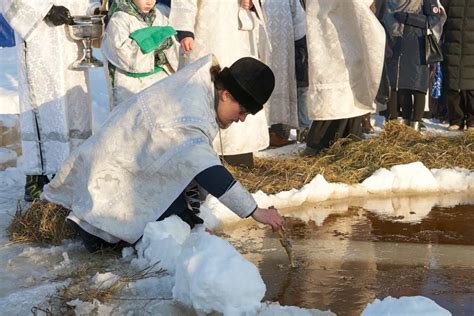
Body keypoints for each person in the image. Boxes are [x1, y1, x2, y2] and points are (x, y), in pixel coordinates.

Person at [42, 54, 284, 252]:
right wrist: (254, 210)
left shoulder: (200, 88)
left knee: (185, 221)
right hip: (105, 207)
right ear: (226, 95)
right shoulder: (190, 111)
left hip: (118, 173)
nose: (241, 119)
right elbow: (207, 170)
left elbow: (187, 166)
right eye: (242, 111)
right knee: (170, 229)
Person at [0, 0, 101, 201]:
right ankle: (40, 176)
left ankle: (73, 174)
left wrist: (93, 10)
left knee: (75, 106)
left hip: (72, 43)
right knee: (47, 104)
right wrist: (45, 9)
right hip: (41, 40)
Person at [169, 0, 269, 167]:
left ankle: (238, 157)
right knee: (210, 82)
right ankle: (205, 155)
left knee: (240, 84)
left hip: (238, 35)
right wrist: (185, 30)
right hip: (209, 31)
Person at [303, 0, 386, 155]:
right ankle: (322, 142)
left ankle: (350, 136)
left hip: (344, 21)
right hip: (332, 24)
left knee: (350, 82)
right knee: (337, 80)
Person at [102, 0, 179, 109]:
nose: (149, 2)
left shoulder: (159, 16)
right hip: (130, 84)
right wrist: (153, 44)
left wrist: (167, 43)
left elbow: (172, 41)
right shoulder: (119, 19)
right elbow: (121, 52)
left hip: (158, 80)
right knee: (132, 118)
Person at [382, 0, 444, 131]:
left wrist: (409, 18)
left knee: (418, 85)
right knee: (401, 85)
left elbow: (434, 19)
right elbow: (383, 18)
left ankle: (416, 123)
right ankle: (405, 123)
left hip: (417, 44)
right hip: (395, 43)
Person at [259, 0, 306, 147]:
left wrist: (301, 43)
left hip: (282, 41)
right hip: (257, 34)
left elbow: (299, 18)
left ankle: (278, 133)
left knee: (280, 84)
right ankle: (261, 133)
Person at [441, 0, 474, 131]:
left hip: (471, 49)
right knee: (452, 86)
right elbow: (441, 19)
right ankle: (456, 120)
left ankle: (472, 121)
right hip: (452, 47)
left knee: (472, 88)